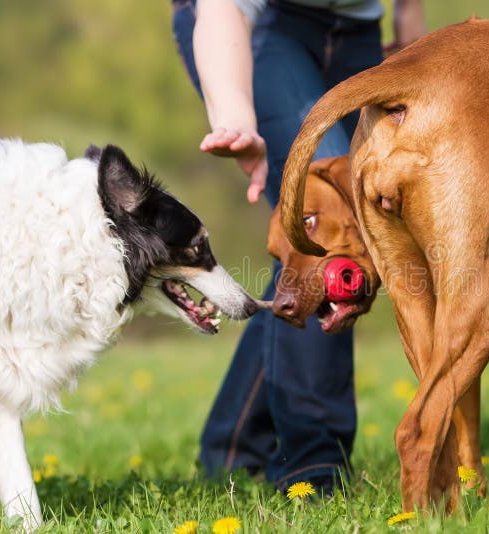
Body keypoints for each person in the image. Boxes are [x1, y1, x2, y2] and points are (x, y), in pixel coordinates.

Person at [171, 0, 425, 493]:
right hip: (255, 29)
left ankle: (234, 445)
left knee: (303, 265)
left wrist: (409, 19)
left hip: (357, 34)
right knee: (329, 226)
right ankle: (312, 467)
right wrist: (236, 117)